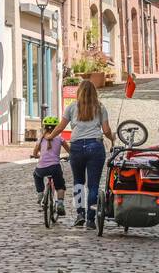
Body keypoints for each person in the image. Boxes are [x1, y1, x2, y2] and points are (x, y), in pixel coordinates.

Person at [45, 80, 113, 228]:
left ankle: (80, 214)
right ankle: (90, 219)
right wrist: (113, 139)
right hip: (95, 146)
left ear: (79, 92)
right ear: (94, 92)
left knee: (78, 182)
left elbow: (60, 127)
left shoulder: (72, 107)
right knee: (93, 185)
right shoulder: (100, 108)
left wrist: (50, 137)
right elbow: (106, 130)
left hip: (76, 147)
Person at [31, 131, 69, 218]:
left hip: (41, 169)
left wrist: (36, 155)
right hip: (54, 168)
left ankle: (40, 194)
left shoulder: (40, 139)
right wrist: (71, 156)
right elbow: (69, 149)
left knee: (36, 175)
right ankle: (60, 204)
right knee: (60, 186)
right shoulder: (60, 138)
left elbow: (35, 152)